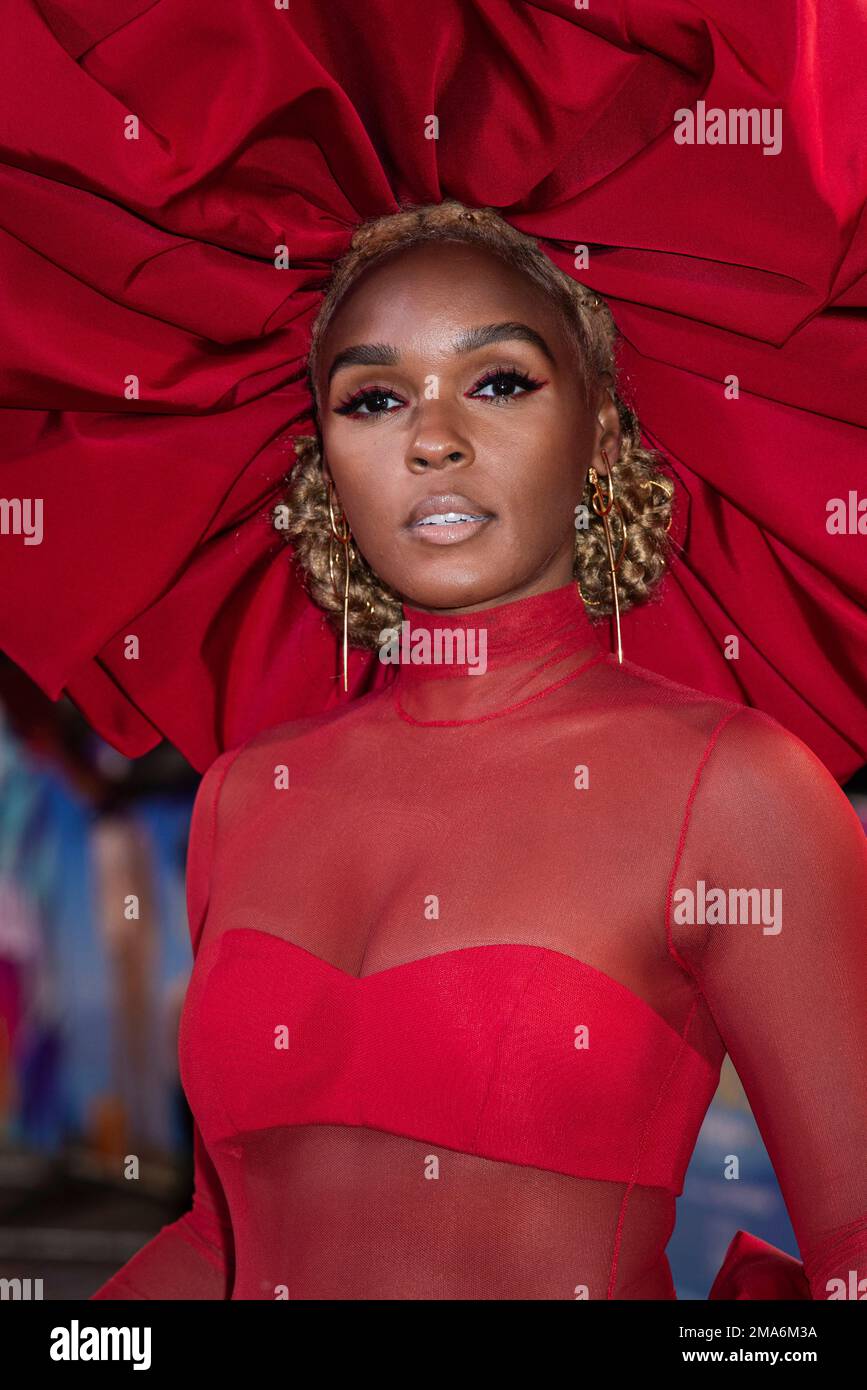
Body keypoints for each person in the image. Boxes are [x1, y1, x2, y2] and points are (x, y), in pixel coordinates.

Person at [91, 201, 867, 1301]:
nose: (434, 437)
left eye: (498, 380)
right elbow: (222, 1241)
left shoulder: (738, 785)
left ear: (601, 432)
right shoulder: (242, 793)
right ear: (326, 463)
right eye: (374, 398)